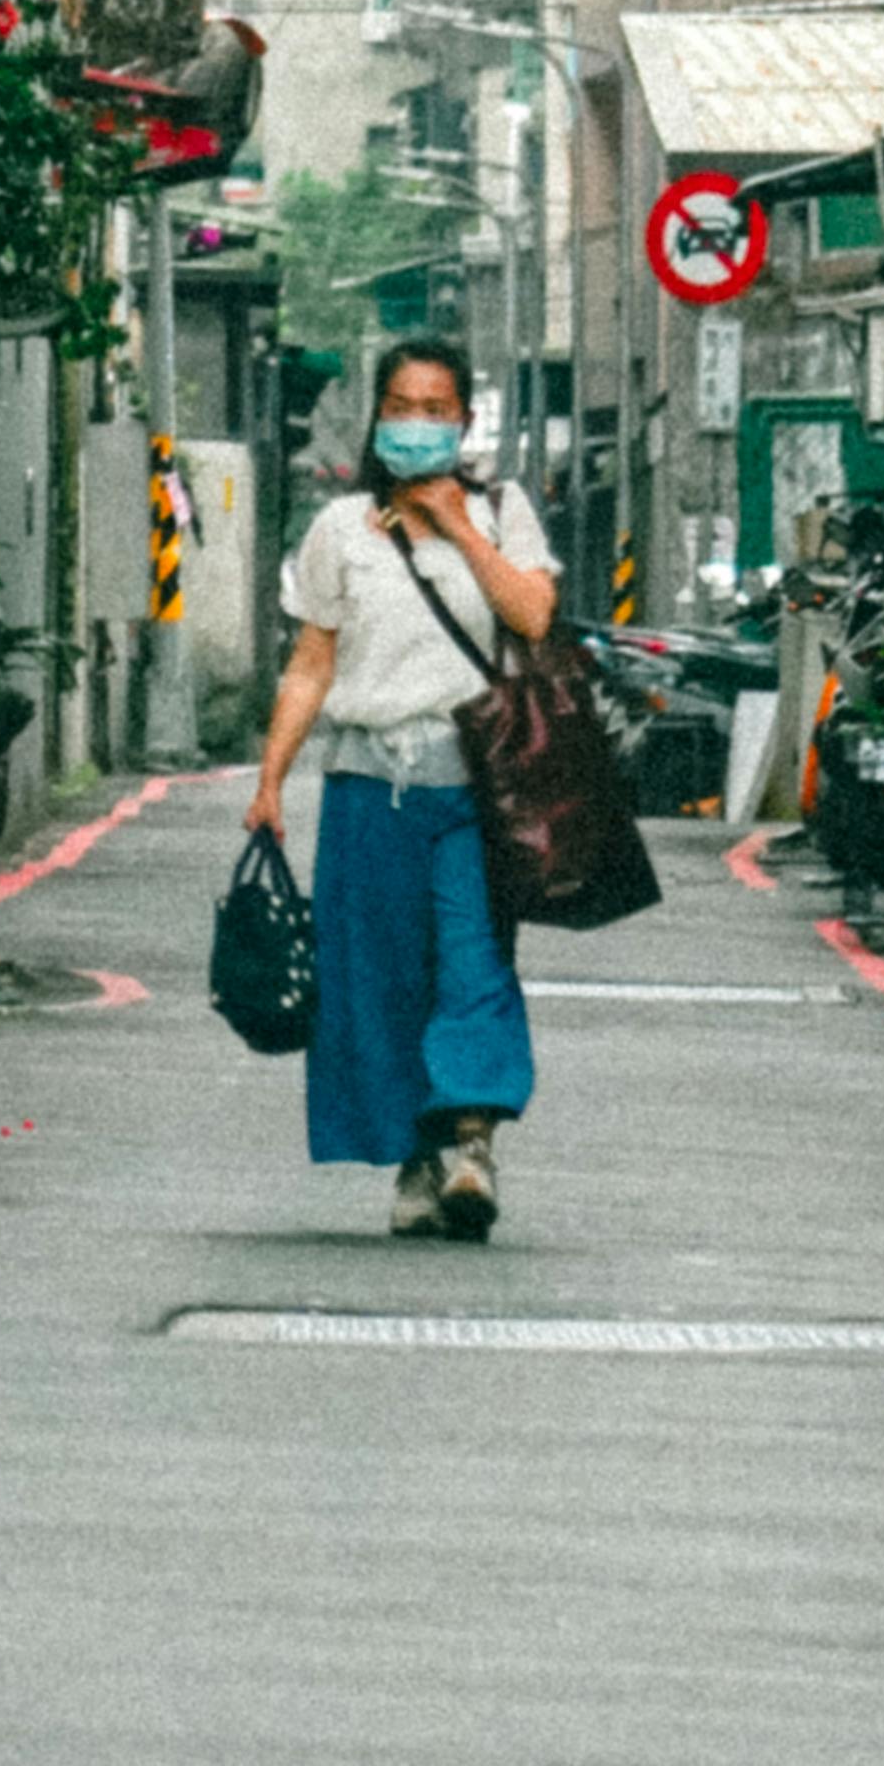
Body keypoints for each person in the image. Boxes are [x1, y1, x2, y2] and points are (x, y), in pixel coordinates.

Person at [248, 339, 552, 1238]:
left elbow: (533, 613)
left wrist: (456, 524)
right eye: (403, 406)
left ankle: (470, 1141)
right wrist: (271, 779)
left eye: (437, 408)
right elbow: (311, 666)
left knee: (472, 964)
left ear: (464, 421)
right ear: (378, 416)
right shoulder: (342, 529)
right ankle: (419, 1167)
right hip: (365, 786)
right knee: (376, 985)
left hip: (476, 789)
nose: (418, 423)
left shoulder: (503, 512)